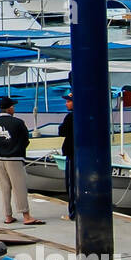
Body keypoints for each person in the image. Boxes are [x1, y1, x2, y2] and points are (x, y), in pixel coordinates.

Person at [0, 96, 40, 225]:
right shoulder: (18, 122)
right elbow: (25, 139)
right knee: (19, 187)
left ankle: (8, 216)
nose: (14, 109)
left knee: (4, 188)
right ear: (9, 108)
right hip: (14, 158)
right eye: (13, 106)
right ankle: (26, 216)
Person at [58, 89, 76, 221]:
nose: (66, 104)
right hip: (81, 153)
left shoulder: (70, 117)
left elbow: (62, 131)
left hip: (72, 153)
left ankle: (73, 213)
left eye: (69, 101)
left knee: (72, 184)